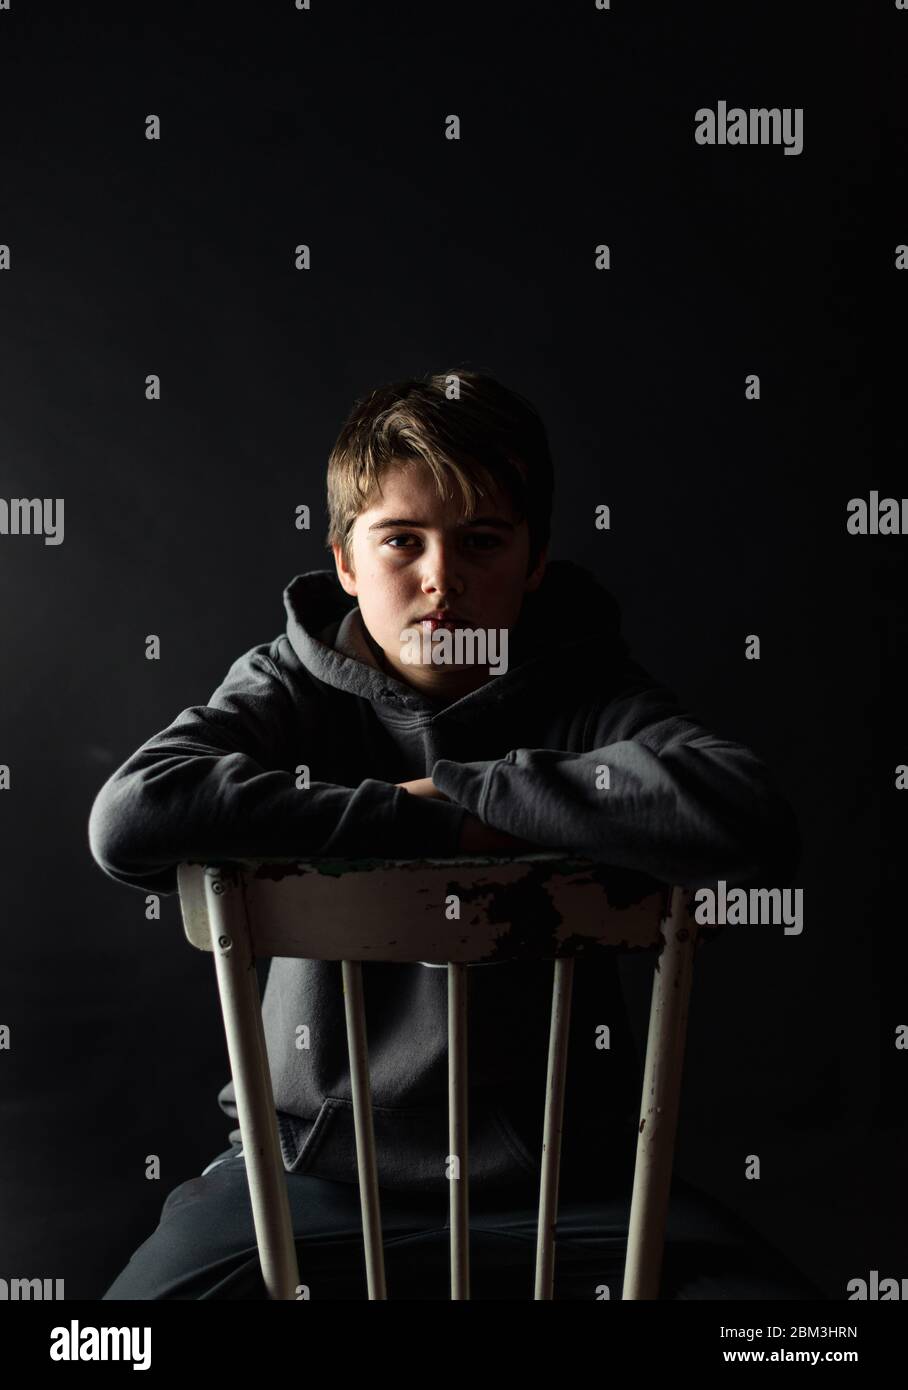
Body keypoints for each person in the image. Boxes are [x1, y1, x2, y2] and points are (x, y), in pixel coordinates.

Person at [89, 367, 823, 1300]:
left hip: (569, 1179)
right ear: (347, 564)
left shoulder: (582, 688)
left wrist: (472, 797)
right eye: (402, 541)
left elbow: (746, 813)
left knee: (805, 1338)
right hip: (310, 1173)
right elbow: (135, 812)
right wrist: (416, 820)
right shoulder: (287, 683)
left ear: (534, 562)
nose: (444, 579)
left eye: (482, 541)